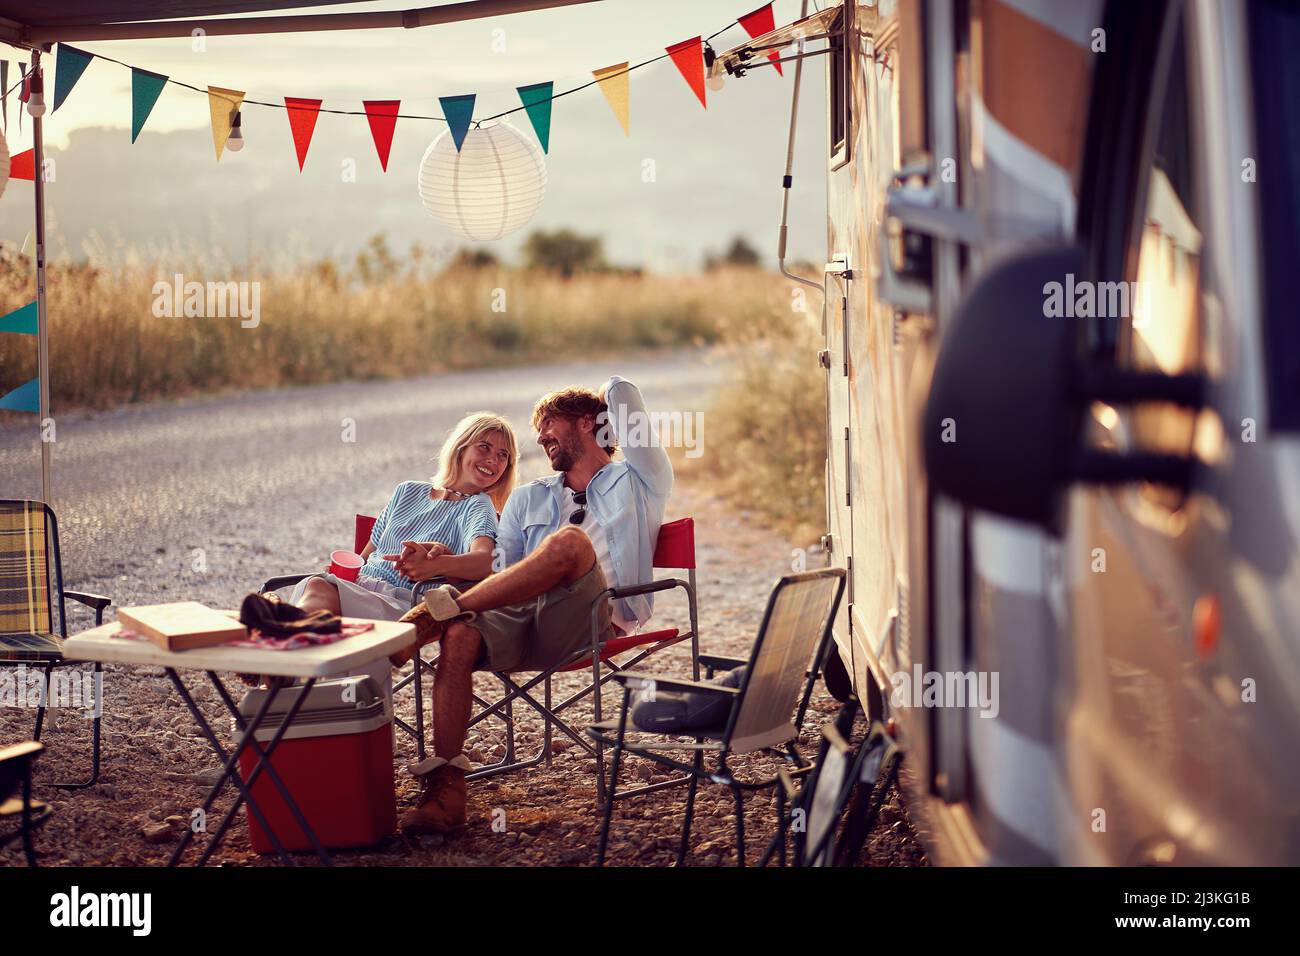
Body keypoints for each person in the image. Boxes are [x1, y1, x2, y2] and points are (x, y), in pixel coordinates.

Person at [394, 375, 672, 835]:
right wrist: (444, 559)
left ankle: (431, 617)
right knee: (462, 634)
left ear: (587, 423)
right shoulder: (528, 497)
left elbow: (623, 393)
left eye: (549, 425)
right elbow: (502, 574)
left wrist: (601, 401)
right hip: (524, 620)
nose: (539, 437)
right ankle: (446, 791)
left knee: (568, 543)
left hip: (593, 618)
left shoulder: (642, 479)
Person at [285, 411, 518, 624]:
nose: (493, 460)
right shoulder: (407, 491)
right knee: (318, 584)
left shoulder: (478, 506)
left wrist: (436, 565)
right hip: (361, 587)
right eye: (484, 447)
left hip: (406, 601)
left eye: (502, 455)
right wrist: (345, 571)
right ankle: (290, 643)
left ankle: (284, 642)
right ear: (460, 447)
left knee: (317, 588)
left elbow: (486, 561)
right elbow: (365, 557)